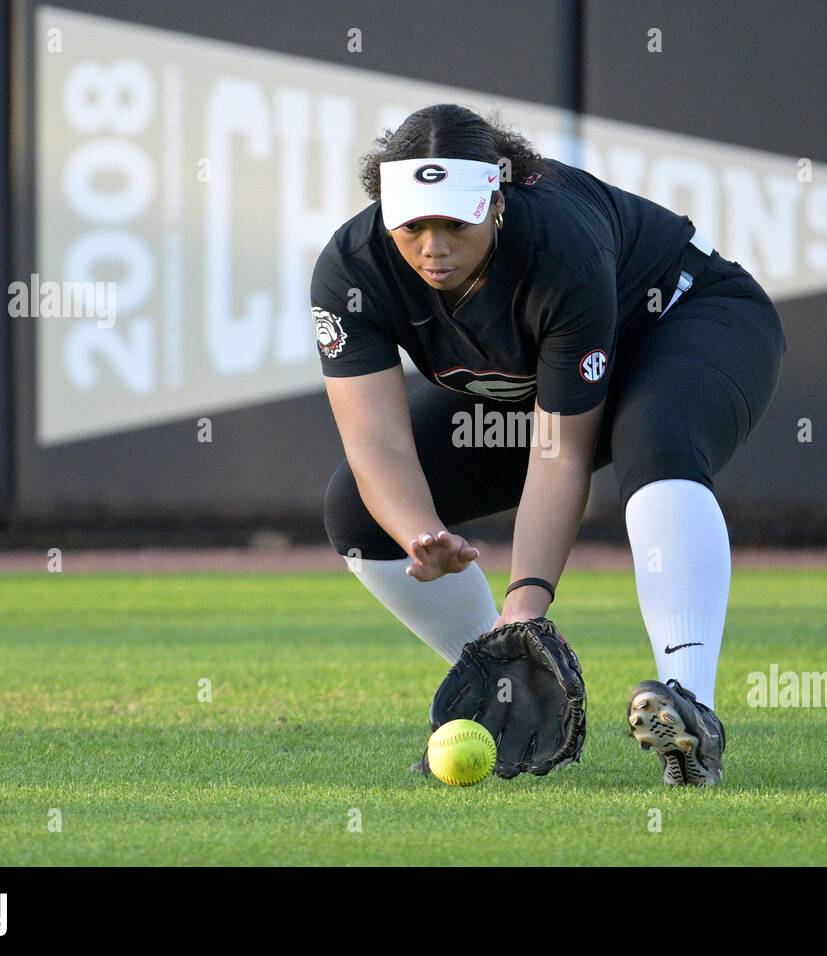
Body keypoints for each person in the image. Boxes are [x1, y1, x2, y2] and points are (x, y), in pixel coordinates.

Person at [312, 104, 785, 786]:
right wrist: (420, 534)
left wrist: (527, 598)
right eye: (413, 225)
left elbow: (560, 452)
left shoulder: (559, 245)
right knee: (358, 513)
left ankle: (693, 711)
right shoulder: (351, 269)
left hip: (688, 320)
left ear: (497, 205)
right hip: (542, 382)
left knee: (657, 441)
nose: (433, 248)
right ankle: (509, 690)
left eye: (455, 224)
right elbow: (376, 443)